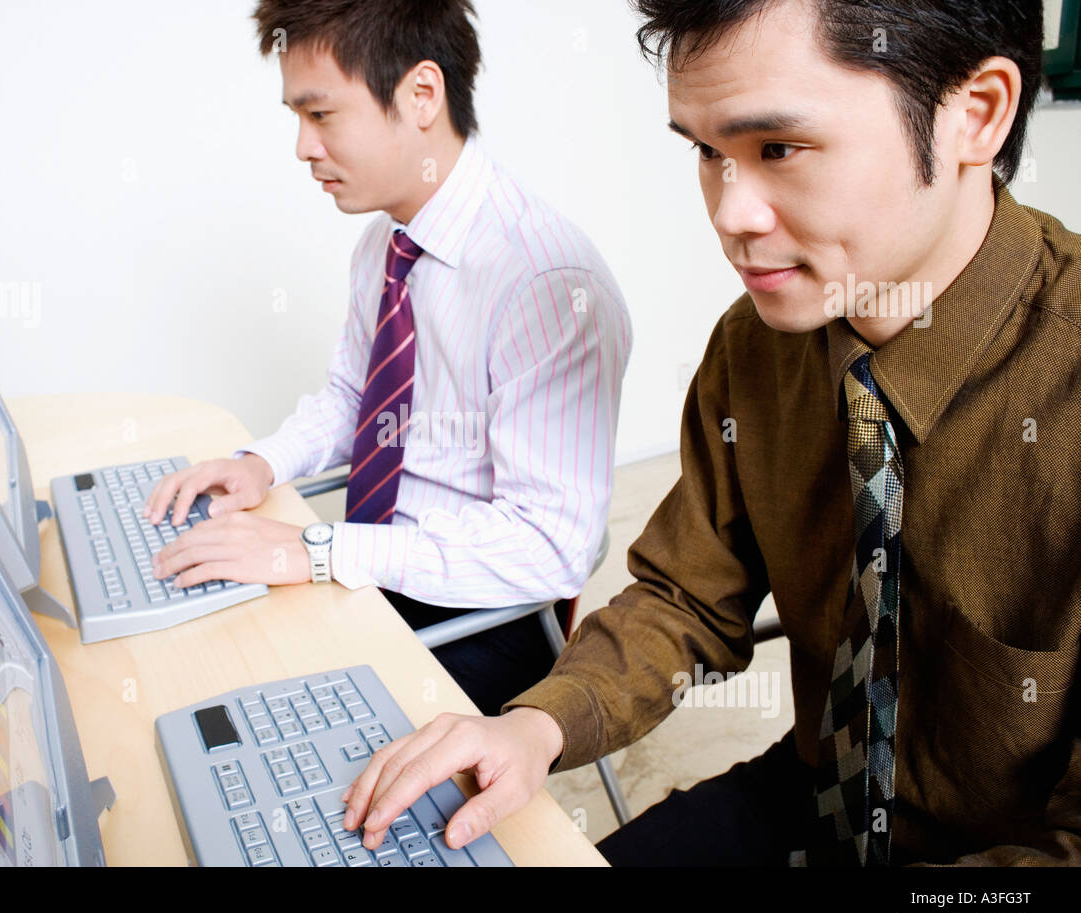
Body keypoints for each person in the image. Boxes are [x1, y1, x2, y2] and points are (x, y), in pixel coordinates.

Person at [343, 0, 1081, 866]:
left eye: (779, 149)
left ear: (978, 114)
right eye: (707, 152)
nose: (730, 215)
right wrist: (537, 725)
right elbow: (685, 595)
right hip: (813, 802)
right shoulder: (757, 346)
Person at [145, 0, 632, 716]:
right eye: (297, 118)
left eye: (321, 115)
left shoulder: (548, 284)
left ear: (421, 95)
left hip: (481, 614)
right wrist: (263, 464)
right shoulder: (385, 245)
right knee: (196, 647)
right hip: (376, 564)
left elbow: (547, 545)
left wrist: (313, 551)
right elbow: (355, 396)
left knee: (257, 709)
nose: (303, 148)